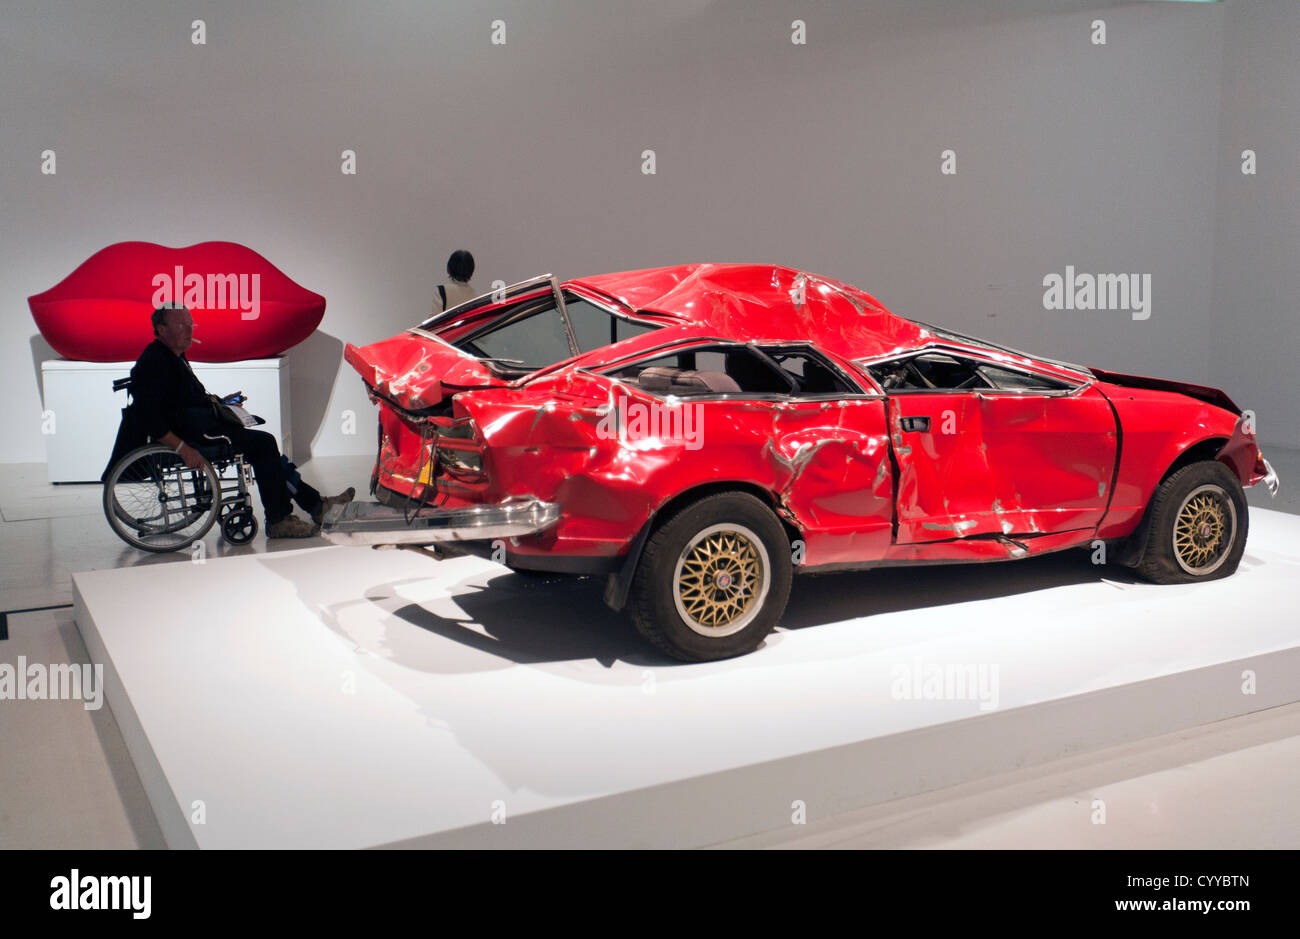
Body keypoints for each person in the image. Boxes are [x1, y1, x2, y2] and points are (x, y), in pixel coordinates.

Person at [123, 304, 353, 538]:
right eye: (181, 325)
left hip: (203, 428)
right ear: (161, 329)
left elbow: (187, 401)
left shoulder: (173, 358)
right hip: (197, 437)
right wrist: (182, 449)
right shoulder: (155, 363)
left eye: (191, 324)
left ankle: (316, 506)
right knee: (264, 445)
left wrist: (222, 403)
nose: (189, 330)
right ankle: (281, 518)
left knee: (266, 449)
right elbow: (148, 416)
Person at [433, 249, 478, 314]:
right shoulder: (476, 297)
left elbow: (434, 319)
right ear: (472, 270)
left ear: (448, 269)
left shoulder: (442, 291)